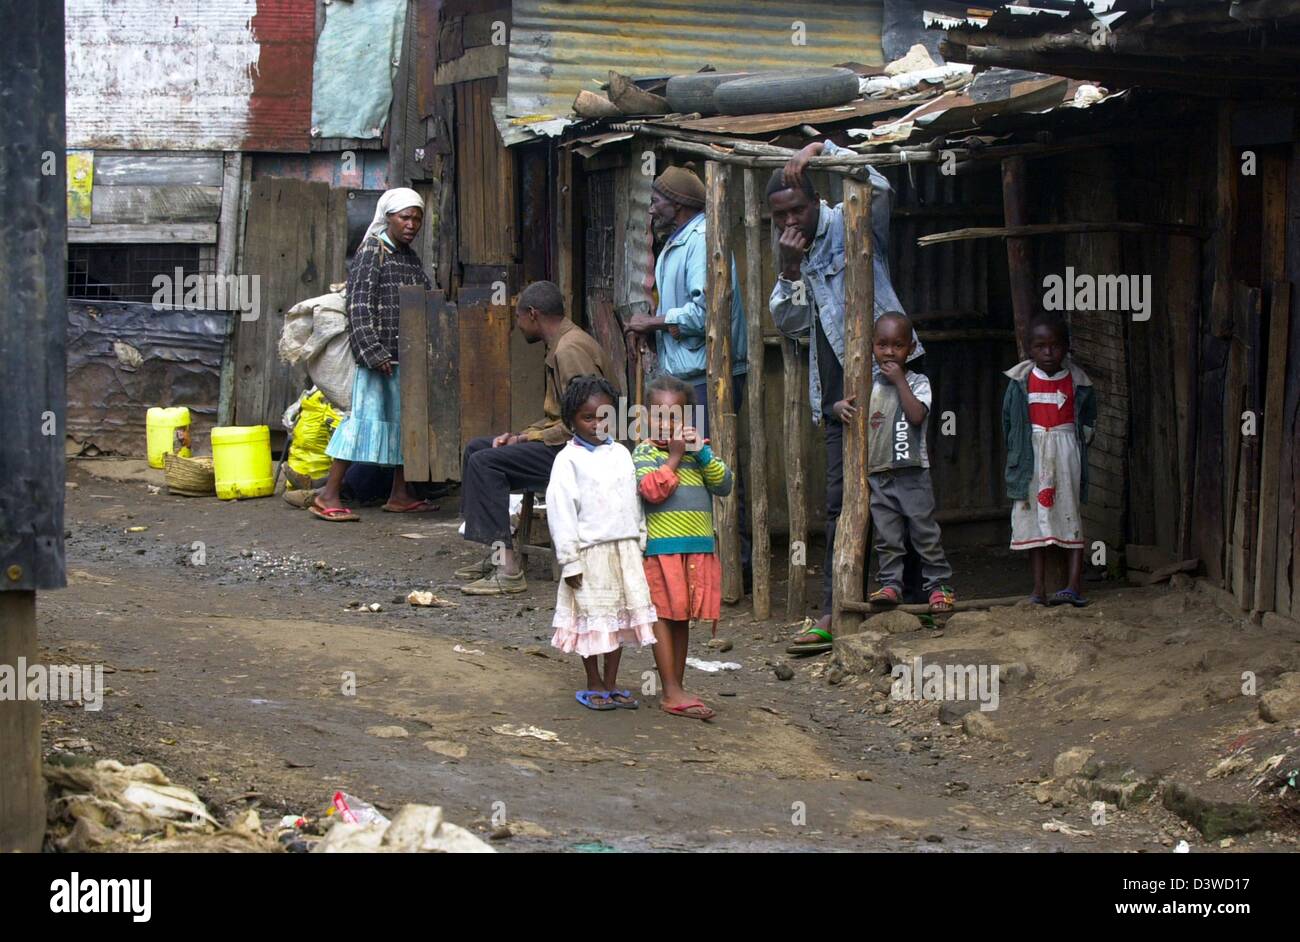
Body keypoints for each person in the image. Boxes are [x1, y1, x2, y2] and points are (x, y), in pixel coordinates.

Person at [768, 140, 924, 647]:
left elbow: (879, 184)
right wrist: (789, 270)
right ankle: (837, 610)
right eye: (780, 215)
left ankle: (916, 601)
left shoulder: (852, 221)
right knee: (839, 505)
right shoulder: (795, 257)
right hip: (837, 400)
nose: (791, 221)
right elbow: (788, 324)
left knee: (904, 492)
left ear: (818, 202)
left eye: (798, 208)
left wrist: (823, 149)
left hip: (890, 387)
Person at [625, 164, 752, 582]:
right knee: (690, 462)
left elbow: (703, 312)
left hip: (705, 377)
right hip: (689, 374)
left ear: (677, 205)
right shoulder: (681, 240)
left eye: (658, 201)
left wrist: (654, 322)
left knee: (707, 463)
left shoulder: (699, 241)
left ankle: (734, 566)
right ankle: (700, 562)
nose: (653, 209)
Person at [458, 280, 620, 596]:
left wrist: (530, 438)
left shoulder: (570, 350)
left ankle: (508, 570)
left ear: (532, 314)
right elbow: (561, 415)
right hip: (566, 442)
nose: (518, 326)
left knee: (484, 463)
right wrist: (523, 436)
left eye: (518, 318)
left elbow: (587, 421)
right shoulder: (563, 344)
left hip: (582, 453)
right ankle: (496, 555)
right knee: (477, 448)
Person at [311, 188, 435, 522]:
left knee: (404, 424)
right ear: (388, 217)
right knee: (361, 424)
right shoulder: (372, 251)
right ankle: (327, 494)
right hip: (378, 360)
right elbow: (358, 305)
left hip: (404, 358)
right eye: (404, 218)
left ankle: (400, 494)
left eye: (417, 218)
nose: (411, 224)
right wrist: (371, 350)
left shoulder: (408, 256)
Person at [546, 375, 657, 710]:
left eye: (605, 416)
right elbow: (561, 511)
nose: (597, 424)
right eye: (588, 418)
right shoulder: (568, 460)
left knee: (617, 619)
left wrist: (640, 540)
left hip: (624, 551)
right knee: (592, 619)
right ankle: (593, 681)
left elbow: (634, 500)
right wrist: (570, 560)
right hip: (589, 554)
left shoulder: (623, 453)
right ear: (571, 420)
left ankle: (611, 683)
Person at [633, 375, 733, 721]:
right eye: (658, 416)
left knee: (682, 617)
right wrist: (674, 458)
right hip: (662, 550)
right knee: (662, 614)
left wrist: (701, 452)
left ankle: (677, 685)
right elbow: (651, 490)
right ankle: (670, 689)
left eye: (675, 417)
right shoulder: (645, 452)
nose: (666, 424)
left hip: (696, 548)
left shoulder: (699, 453)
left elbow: (724, 485)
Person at [1002, 315, 1097, 606]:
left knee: (1070, 514)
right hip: (1032, 455)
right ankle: (1039, 589)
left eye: (1054, 346)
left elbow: (1088, 422)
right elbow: (1009, 421)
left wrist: (1068, 446)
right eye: (1040, 346)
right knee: (1032, 519)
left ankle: (1073, 586)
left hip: (1066, 453)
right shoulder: (1021, 382)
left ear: (1066, 347)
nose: (1047, 352)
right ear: (1029, 349)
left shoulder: (1078, 382)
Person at [864, 313, 954, 613]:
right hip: (879, 475)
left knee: (924, 534)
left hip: (913, 474)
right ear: (871, 346)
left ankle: (939, 586)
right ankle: (891, 585)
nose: (889, 352)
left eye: (898, 345)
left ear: (911, 348)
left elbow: (916, 416)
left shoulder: (918, 382)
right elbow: (847, 406)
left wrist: (900, 381)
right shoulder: (868, 385)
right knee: (887, 537)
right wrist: (839, 408)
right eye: (882, 345)